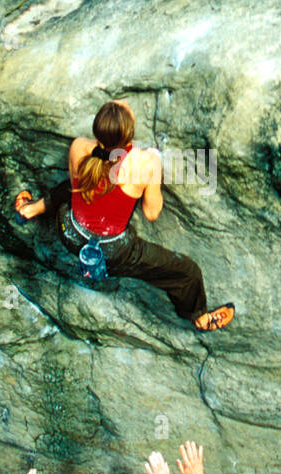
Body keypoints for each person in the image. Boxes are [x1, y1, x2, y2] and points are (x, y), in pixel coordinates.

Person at [13, 98, 234, 332]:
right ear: (129, 133)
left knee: (78, 182)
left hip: (69, 231)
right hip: (111, 253)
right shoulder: (146, 163)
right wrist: (151, 171)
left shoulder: (79, 147)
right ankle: (199, 317)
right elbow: (151, 212)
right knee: (187, 272)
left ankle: (29, 210)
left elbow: (84, 181)